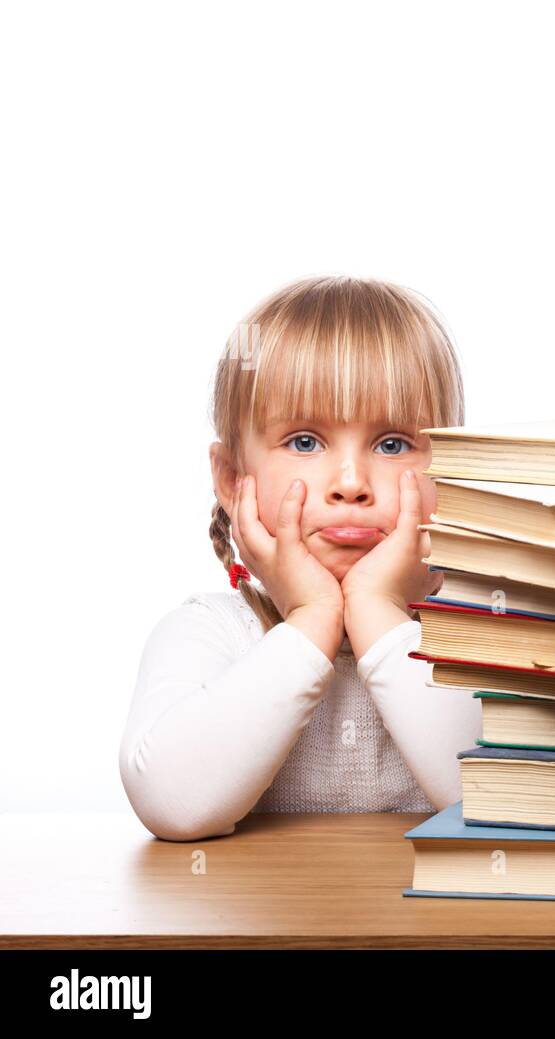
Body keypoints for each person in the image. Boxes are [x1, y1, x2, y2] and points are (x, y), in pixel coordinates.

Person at [119, 275, 481, 841]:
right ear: (232, 478)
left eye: (392, 444)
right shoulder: (211, 630)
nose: (351, 483)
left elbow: (497, 802)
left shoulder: (487, 632)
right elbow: (173, 805)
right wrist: (311, 615)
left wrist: (378, 610)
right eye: (305, 442)